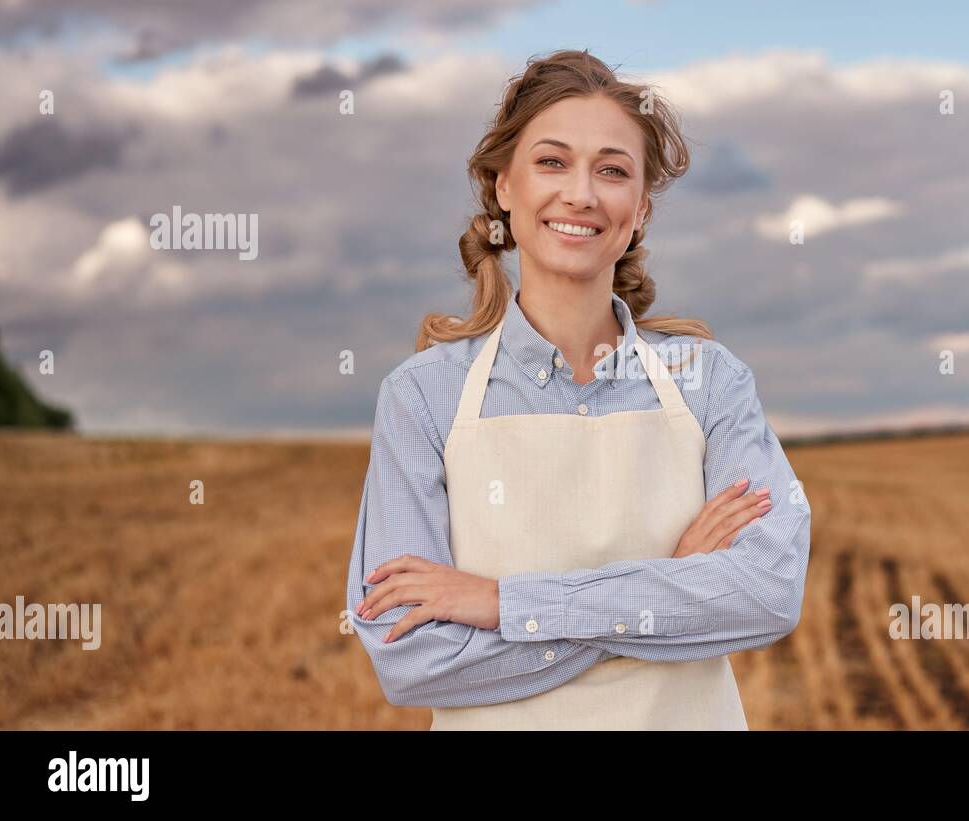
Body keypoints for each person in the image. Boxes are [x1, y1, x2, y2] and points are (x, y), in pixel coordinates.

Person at [345, 49, 811, 730]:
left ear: (641, 206)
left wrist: (502, 602)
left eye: (613, 171)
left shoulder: (710, 381)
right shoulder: (422, 398)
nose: (582, 194)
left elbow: (768, 592)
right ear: (505, 185)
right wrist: (666, 588)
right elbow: (411, 656)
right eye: (552, 162)